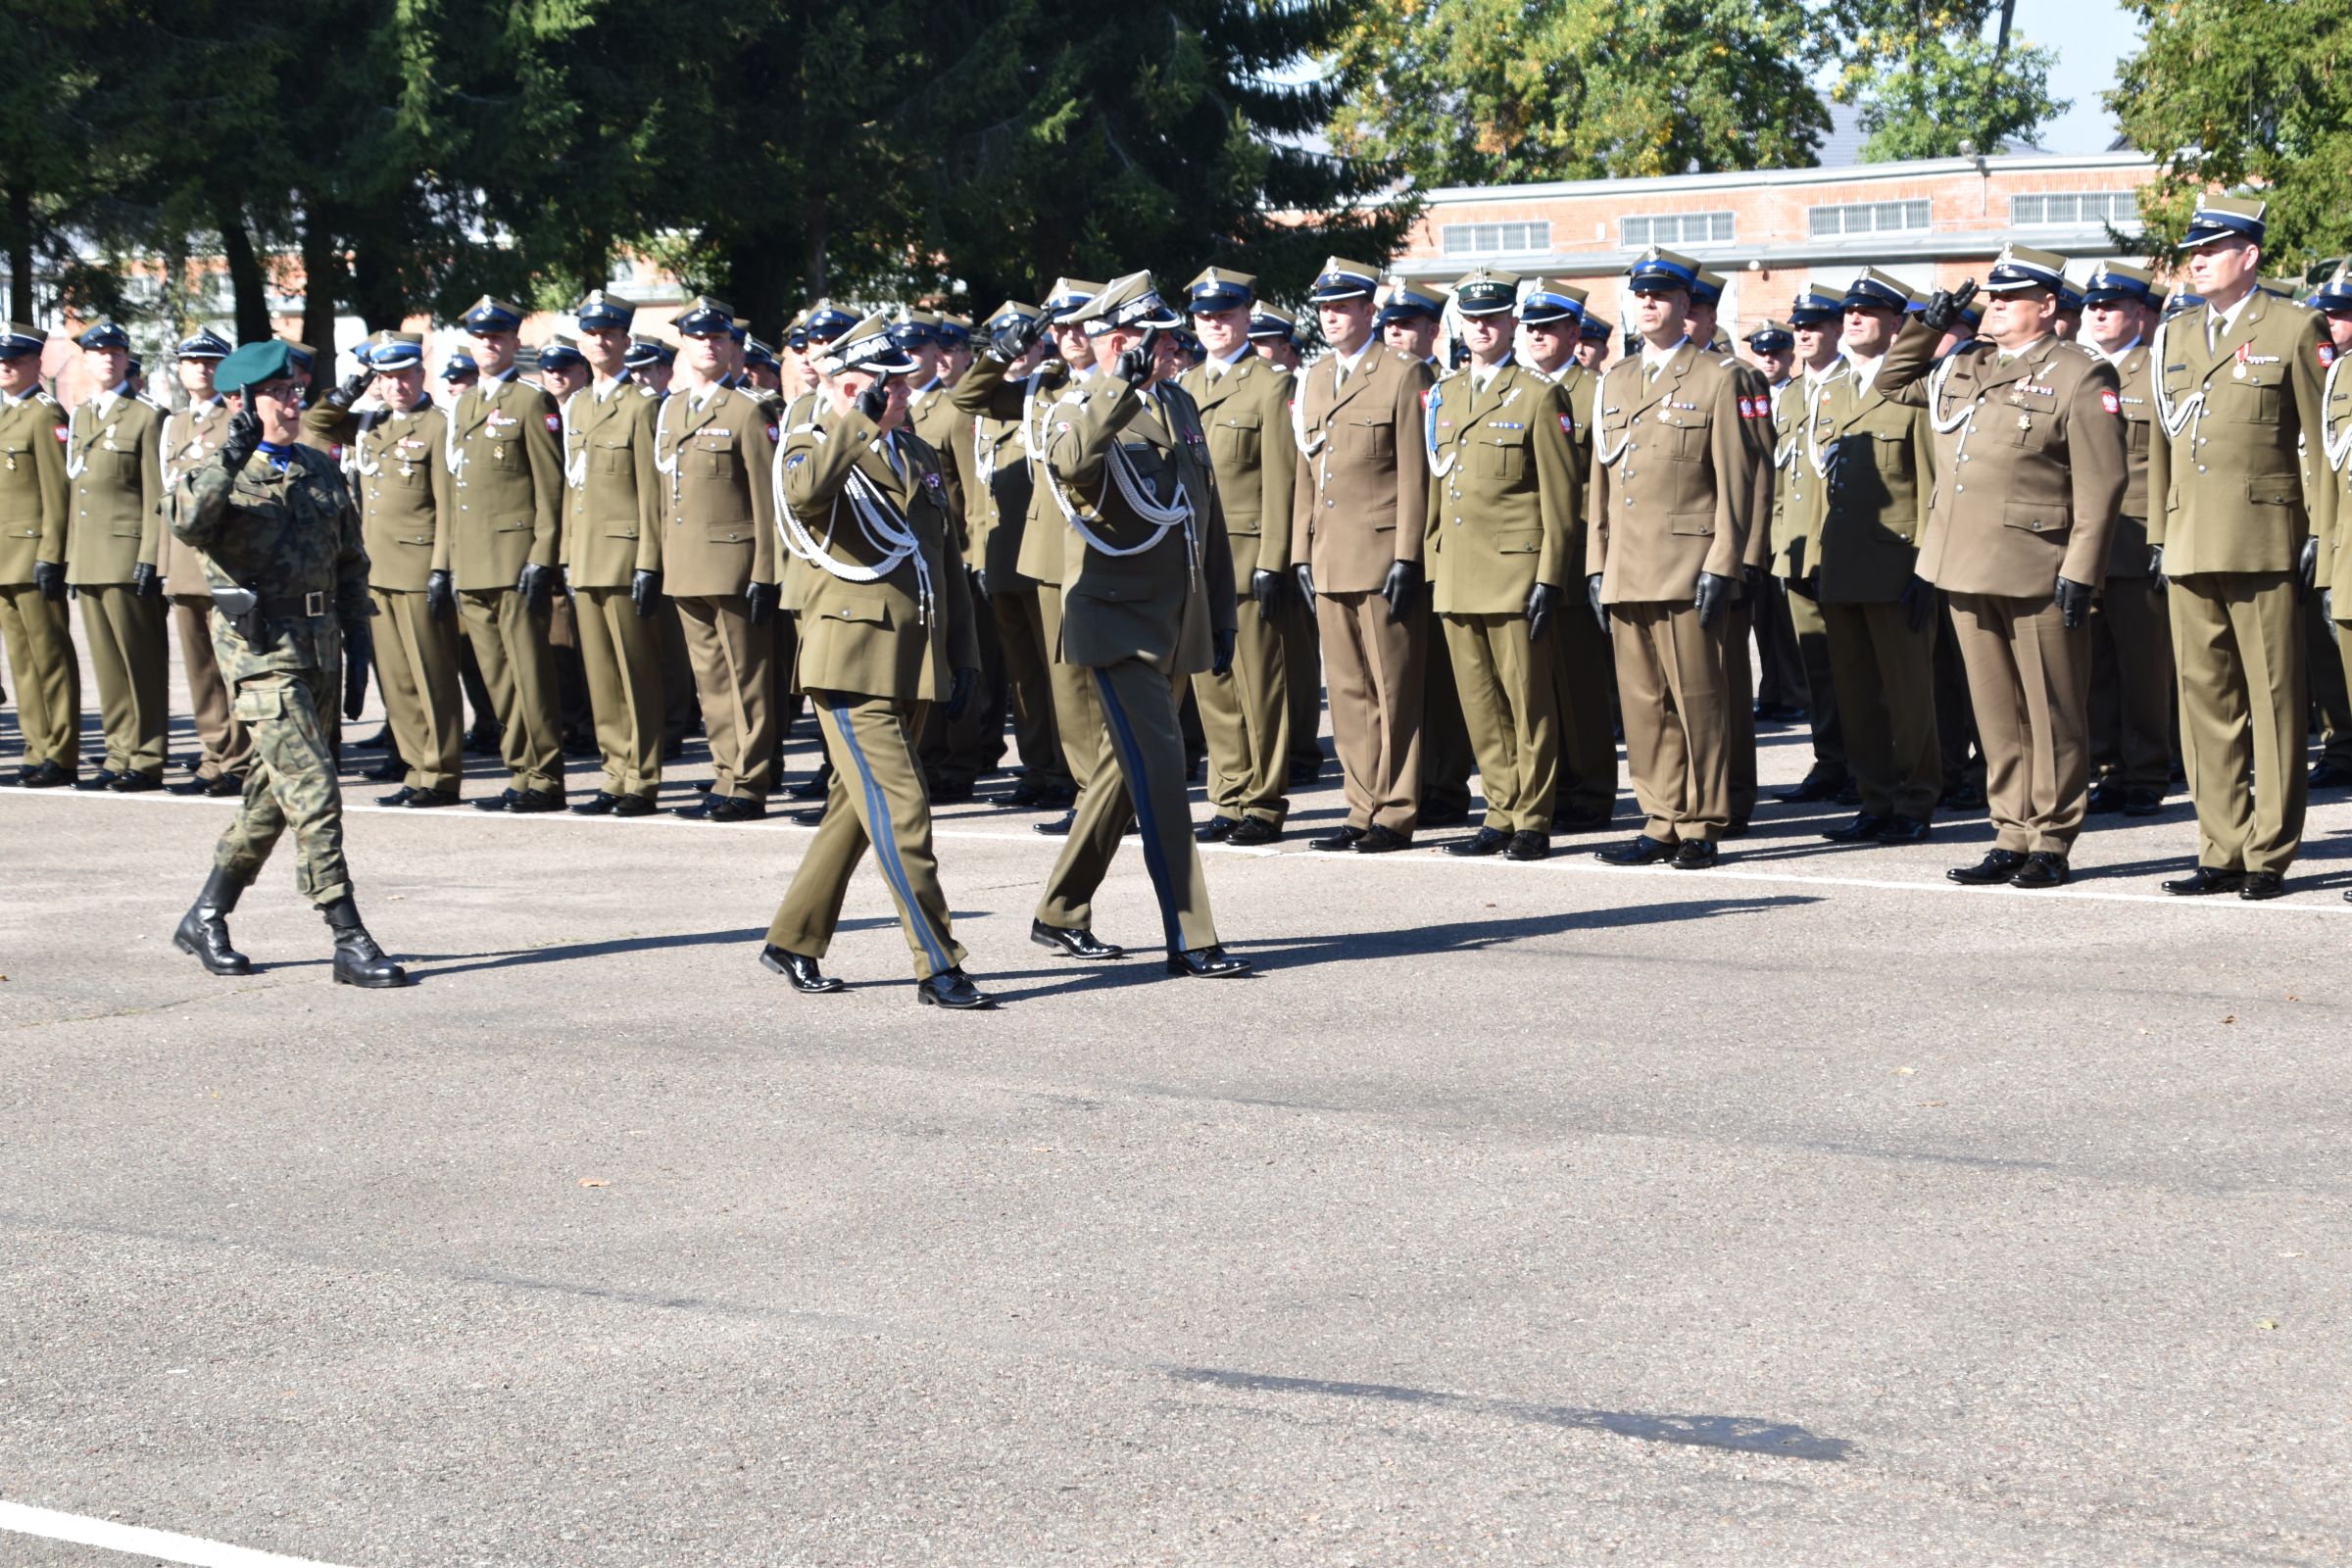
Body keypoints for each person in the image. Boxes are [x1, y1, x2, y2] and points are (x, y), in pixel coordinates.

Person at [1881, 246, 2126, 889]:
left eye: (2009, 298)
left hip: (2039, 564)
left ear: (2046, 306)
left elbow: (2104, 483)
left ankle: (2052, 839)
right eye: (1992, 296)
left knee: (2051, 712)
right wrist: (1924, 327)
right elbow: (1891, 384)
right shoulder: (1966, 364)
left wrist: (2082, 568)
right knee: (1996, 714)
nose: (1996, 306)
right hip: (1964, 563)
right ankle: (2010, 832)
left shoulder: (2080, 373)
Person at [765, 312, 990, 1007]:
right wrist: (853, 420)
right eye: (888, 386)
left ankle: (793, 937)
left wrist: (963, 656)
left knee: (855, 812)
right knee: (902, 812)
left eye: (902, 384)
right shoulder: (808, 443)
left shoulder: (915, 454)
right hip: (850, 661)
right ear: (853, 387)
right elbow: (806, 497)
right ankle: (939, 963)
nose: (903, 394)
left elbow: (943, 564)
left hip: (913, 658)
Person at [165, 340, 405, 987]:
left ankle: (206, 914)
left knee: (273, 797)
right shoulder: (220, 470)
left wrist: (358, 637)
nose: (294, 403)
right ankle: (348, 935)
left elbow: (350, 558)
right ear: (245, 401)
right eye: (279, 393)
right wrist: (232, 454)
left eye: (296, 391)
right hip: (261, 654)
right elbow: (186, 523)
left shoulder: (319, 468)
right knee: (314, 790)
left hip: (320, 647)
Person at [1029, 271, 1248, 978]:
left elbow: (1201, 514)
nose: (1174, 349)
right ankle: (1191, 935)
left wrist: (1219, 611)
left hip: (1176, 618)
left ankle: (1061, 908)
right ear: (1121, 343)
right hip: (1117, 622)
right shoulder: (1072, 404)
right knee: (1161, 772)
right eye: (1157, 340)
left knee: (1123, 773)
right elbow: (1069, 463)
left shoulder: (1179, 401)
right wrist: (1113, 384)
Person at [2146, 195, 2332, 900]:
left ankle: (2269, 852)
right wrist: (2161, 534)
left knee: (2277, 700)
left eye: (2212, 248)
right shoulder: (2176, 335)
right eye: (2192, 249)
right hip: (2191, 539)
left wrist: (2320, 530)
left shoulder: (2292, 326)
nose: (2196, 259)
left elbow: (2319, 441)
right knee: (2205, 702)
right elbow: (2164, 446)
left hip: (2265, 538)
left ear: (2248, 255)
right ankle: (2219, 846)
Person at [1586, 247, 1760, 869]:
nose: (1650, 303)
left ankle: (1701, 823)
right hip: (1628, 564)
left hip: (1689, 562)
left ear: (1688, 305)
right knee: (1643, 703)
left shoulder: (1720, 377)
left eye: (1663, 294)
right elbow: (1601, 480)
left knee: (1699, 700)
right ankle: (1659, 816)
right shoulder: (1617, 380)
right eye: (1641, 294)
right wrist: (1595, 560)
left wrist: (1725, 561)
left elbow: (1738, 482)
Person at [1423, 267, 1580, 861]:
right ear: (1459, 325)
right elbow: (1442, 491)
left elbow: (1560, 499)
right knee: (1480, 705)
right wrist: (1434, 564)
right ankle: (1499, 808)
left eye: (1493, 317)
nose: (1482, 327)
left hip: (1516, 572)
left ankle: (1533, 817)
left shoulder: (1540, 394)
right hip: (1459, 571)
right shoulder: (1445, 395)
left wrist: (1549, 576)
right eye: (1472, 318)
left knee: (1527, 701)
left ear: (1512, 322)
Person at [950, 276, 1107, 839]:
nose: (1069, 336)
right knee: (1056, 682)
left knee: (1086, 678)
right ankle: (1077, 783)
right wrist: (1001, 352)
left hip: (1099, 547)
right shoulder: (1043, 387)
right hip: (1042, 551)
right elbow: (965, 401)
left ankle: (1100, 789)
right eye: (1059, 326)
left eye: (1079, 324)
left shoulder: (1113, 383)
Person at [1294, 256, 1436, 854]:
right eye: (1325, 308)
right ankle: (1360, 806)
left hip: (1381, 555)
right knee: (1349, 692)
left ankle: (1396, 809)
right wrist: (1301, 546)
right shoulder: (1316, 377)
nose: (1331, 317)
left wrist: (1408, 555)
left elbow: (1415, 471)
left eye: (1343, 307)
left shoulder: (1403, 374)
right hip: (1329, 556)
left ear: (1368, 312)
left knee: (1393, 687)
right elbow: (1307, 466)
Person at [302, 330, 466, 808]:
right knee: (396, 681)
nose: (397, 385)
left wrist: (441, 569)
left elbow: (447, 504)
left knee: (430, 675)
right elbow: (317, 422)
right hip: (375, 573)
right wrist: (354, 382)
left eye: (404, 375)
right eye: (386, 377)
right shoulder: (371, 424)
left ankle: (442, 772)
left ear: (421, 374)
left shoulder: (438, 425)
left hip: (418, 568)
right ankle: (417, 768)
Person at [1807, 269, 1942, 849]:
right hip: (1842, 564)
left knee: (1908, 694)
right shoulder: (1830, 392)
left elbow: (1935, 481)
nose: (1854, 319)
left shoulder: (1915, 387)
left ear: (1895, 323)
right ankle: (1873, 798)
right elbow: (1821, 489)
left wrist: (1928, 568)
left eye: (1868, 311)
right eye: (1849, 312)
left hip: (1898, 565)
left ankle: (1914, 801)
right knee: (1857, 695)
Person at [1180, 267, 1298, 846]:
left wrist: (1275, 560)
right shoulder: (1186, 385)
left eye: (1225, 314)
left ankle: (1264, 802)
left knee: (1259, 687)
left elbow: (1282, 478)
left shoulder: (1270, 384)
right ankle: (1226, 796)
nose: (1214, 325)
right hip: (1195, 562)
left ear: (1248, 316)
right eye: (1204, 316)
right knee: (1213, 684)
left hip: (1248, 558)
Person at [659, 294, 782, 820]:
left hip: (736, 565)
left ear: (733, 346)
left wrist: (767, 571)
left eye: (718, 338)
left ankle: (750, 783)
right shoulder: (669, 408)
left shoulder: (749, 408)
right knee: (709, 682)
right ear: (683, 345)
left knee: (747, 679)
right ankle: (725, 773)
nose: (708, 345)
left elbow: (766, 497)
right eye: (698, 337)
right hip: (686, 563)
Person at [443, 296, 567, 811]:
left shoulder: (530, 401)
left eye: (498, 336)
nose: (489, 344)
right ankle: (519, 770)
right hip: (473, 562)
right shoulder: (465, 403)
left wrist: (543, 557)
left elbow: (550, 487)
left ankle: (545, 777)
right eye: (480, 337)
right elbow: (460, 490)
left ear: (516, 342)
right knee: (497, 677)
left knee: (529, 674)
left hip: (516, 560)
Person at [558, 290, 667, 816]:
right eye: (592, 334)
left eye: (610, 334)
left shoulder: (643, 406)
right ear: (581, 341)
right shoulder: (577, 404)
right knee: (600, 674)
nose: (600, 342)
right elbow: (569, 489)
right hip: (585, 555)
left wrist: (649, 559)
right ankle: (613, 772)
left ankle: (642, 778)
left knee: (634, 671)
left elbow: (651, 490)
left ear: (625, 341)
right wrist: (564, 555)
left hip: (625, 556)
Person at [963, 301, 1071, 812]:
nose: (1018, 352)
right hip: (1005, 555)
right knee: (1024, 672)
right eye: (1008, 341)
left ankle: (1070, 767)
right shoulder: (1009, 396)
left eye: (1023, 341)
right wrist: (996, 357)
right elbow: (967, 395)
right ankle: (1039, 767)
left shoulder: (1053, 387)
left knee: (1060, 672)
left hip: (1048, 551)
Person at [1520, 276, 1618, 833]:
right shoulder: (1514, 389)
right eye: (1530, 326)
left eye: (1549, 327)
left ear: (1573, 332)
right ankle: (1547, 787)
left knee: (1581, 683)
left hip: (1578, 553)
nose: (1537, 335)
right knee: (1539, 684)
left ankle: (1592, 791)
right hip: (1521, 557)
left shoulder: (1594, 391)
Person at [2077, 261, 2174, 818]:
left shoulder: (2155, 371)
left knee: (2143, 667)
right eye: (2093, 305)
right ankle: (2109, 767)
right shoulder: (2078, 370)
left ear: (2139, 313)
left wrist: (2164, 536)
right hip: (2083, 544)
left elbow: (2171, 461)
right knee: (2097, 667)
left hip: (2138, 544)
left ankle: (2145, 772)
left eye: (2111, 305)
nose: (2098, 313)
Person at [65, 318, 170, 791]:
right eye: (98, 351)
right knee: (107, 666)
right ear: (85, 360)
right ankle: (117, 754)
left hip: (128, 557)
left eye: (116, 351)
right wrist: (70, 557)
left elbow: (157, 495)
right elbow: (77, 493)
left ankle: (145, 758)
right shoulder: (81, 413)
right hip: (89, 557)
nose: (108, 358)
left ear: (127, 359)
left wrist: (152, 555)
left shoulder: (147, 415)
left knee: (140, 662)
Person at [157, 327, 253, 796]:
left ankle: (239, 759)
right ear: (179, 368)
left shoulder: (236, 419)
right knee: (199, 670)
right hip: (182, 563)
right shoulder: (173, 424)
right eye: (192, 361)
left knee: (231, 666)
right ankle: (214, 753)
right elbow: (166, 498)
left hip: (221, 561)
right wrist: (160, 565)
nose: (201, 369)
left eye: (211, 362)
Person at [1767, 286, 1852, 805]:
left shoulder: (1854, 385)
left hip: (1841, 549)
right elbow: (1781, 474)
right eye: (1799, 325)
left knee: (1853, 667)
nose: (1804, 333)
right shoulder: (1793, 394)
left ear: (1838, 329)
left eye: (1815, 325)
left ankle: (1865, 764)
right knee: (1816, 665)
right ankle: (1830, 762)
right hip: (1797, 548)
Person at [1248, 303, 1325, 785]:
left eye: (1265, 344)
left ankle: (1300, 746)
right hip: (1254, 537)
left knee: (1294, 652)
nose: (1256, 353)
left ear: (1288, 352)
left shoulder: (1295, 392)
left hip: (1295, 535)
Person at [0, 321, 77, 787]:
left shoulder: (45, 414)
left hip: (32, 554)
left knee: (50, 657)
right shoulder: (6, 414)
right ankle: (35, 746)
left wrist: (53, 554)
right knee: (22, 661)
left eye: (15, 358)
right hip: (3, 557)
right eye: (1, 359)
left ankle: (60, 751)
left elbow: (57, 492)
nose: (5, 365)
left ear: (37, 364)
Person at [1740, 318, 1809, 727]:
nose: (1768, 359)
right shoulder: (1747, 393)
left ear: (1789, 355)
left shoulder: (1800, 394)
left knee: (1788, 617)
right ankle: (1773, 691)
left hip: (1786, 519)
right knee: (1763, 616)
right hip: (1754, 522)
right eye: (1761, 353)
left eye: (1775, 352)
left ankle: (1797, 692)